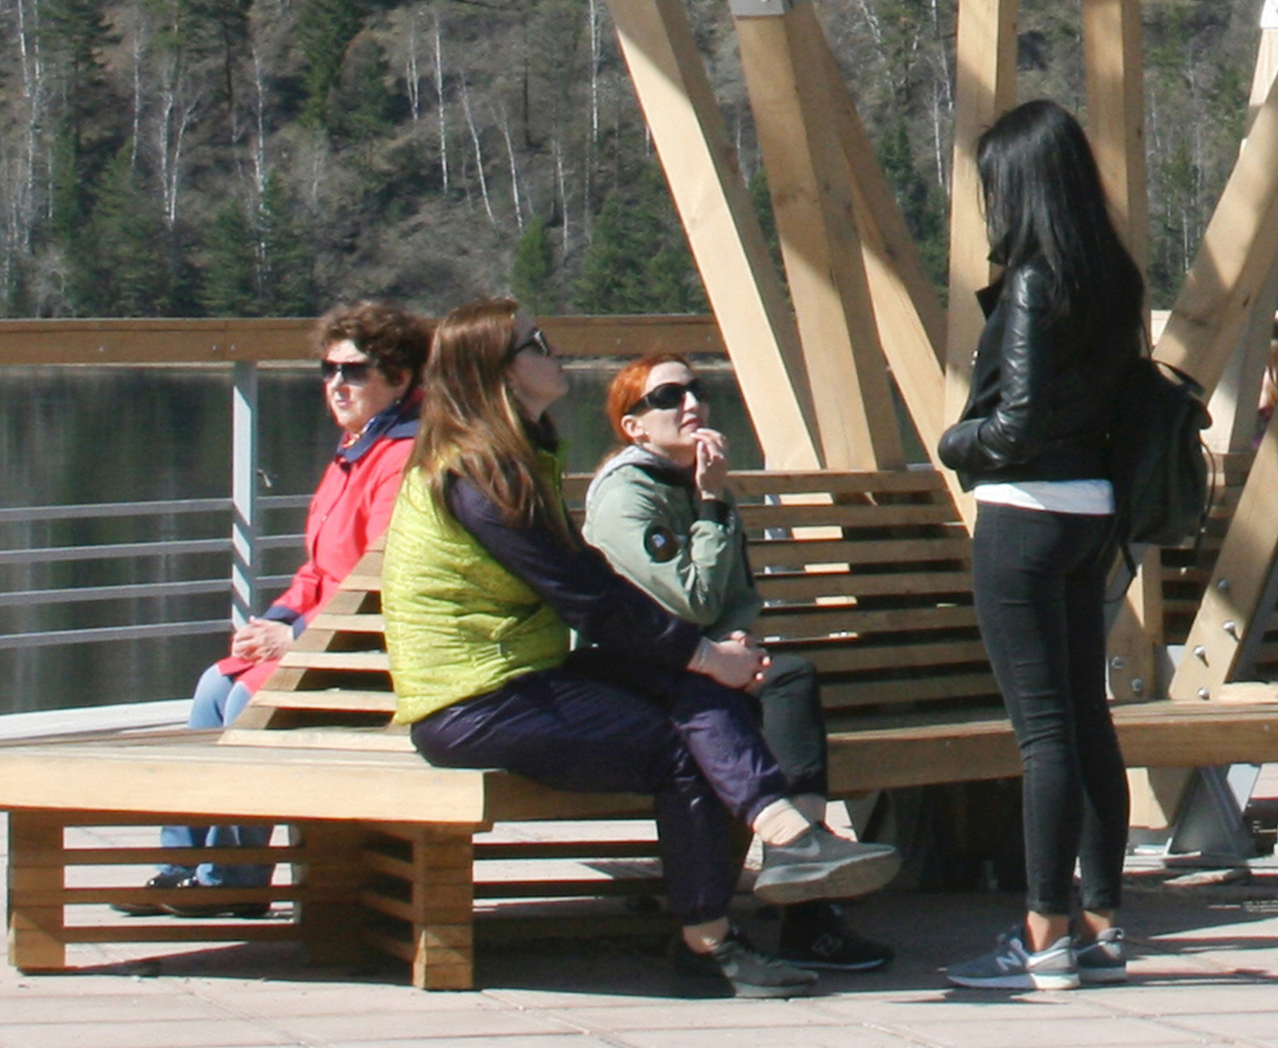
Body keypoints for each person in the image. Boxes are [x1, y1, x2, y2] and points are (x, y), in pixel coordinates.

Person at [378, 303, 893, 997]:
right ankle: (707, 946)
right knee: (682, 749)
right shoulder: (475, 475)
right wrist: (708, 655)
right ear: (496, 373)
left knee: (703, 693)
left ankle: (789, 839)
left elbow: (595, 591)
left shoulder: (516, 456)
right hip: (473, 700)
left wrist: (710, 664)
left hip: (525, 671)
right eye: (536, 343)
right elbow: (589, 596)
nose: (554, 350)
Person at [584, 354, 889, 975]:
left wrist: (740, 646)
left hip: (702, 661)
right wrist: (711, 503)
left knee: (787, 681)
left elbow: (737, 598)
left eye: (696, 390)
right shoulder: (627, 495)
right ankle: (803, 895)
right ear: (634, 425)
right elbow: (690, 599)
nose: (691, 403)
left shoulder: (695, 481)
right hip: (639, 673)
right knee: (779, 691)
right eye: (668, 396)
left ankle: (799, 878)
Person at [941, 99, 1148, 997]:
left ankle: (1042, 935)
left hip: (1022, 514)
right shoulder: (1114, 276)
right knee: (1086, 718)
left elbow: (1017, 419)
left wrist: (957, 444)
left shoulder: (1034, 279)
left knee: (1044, 733)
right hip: (1092, 513)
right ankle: (1100, 921)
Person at [152, 298, 427, 899]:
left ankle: (234, 878)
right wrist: (273, 621)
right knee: (214, 685)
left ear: (400, 378)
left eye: (354, 371)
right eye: (328, 371)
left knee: (251, 697)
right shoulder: (354, 451)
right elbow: (319, 570)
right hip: (326, 642)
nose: (337, 384)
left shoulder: (402, 456)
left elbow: (384, 581)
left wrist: (297, 638)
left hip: (369, 656)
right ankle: (182, 862)